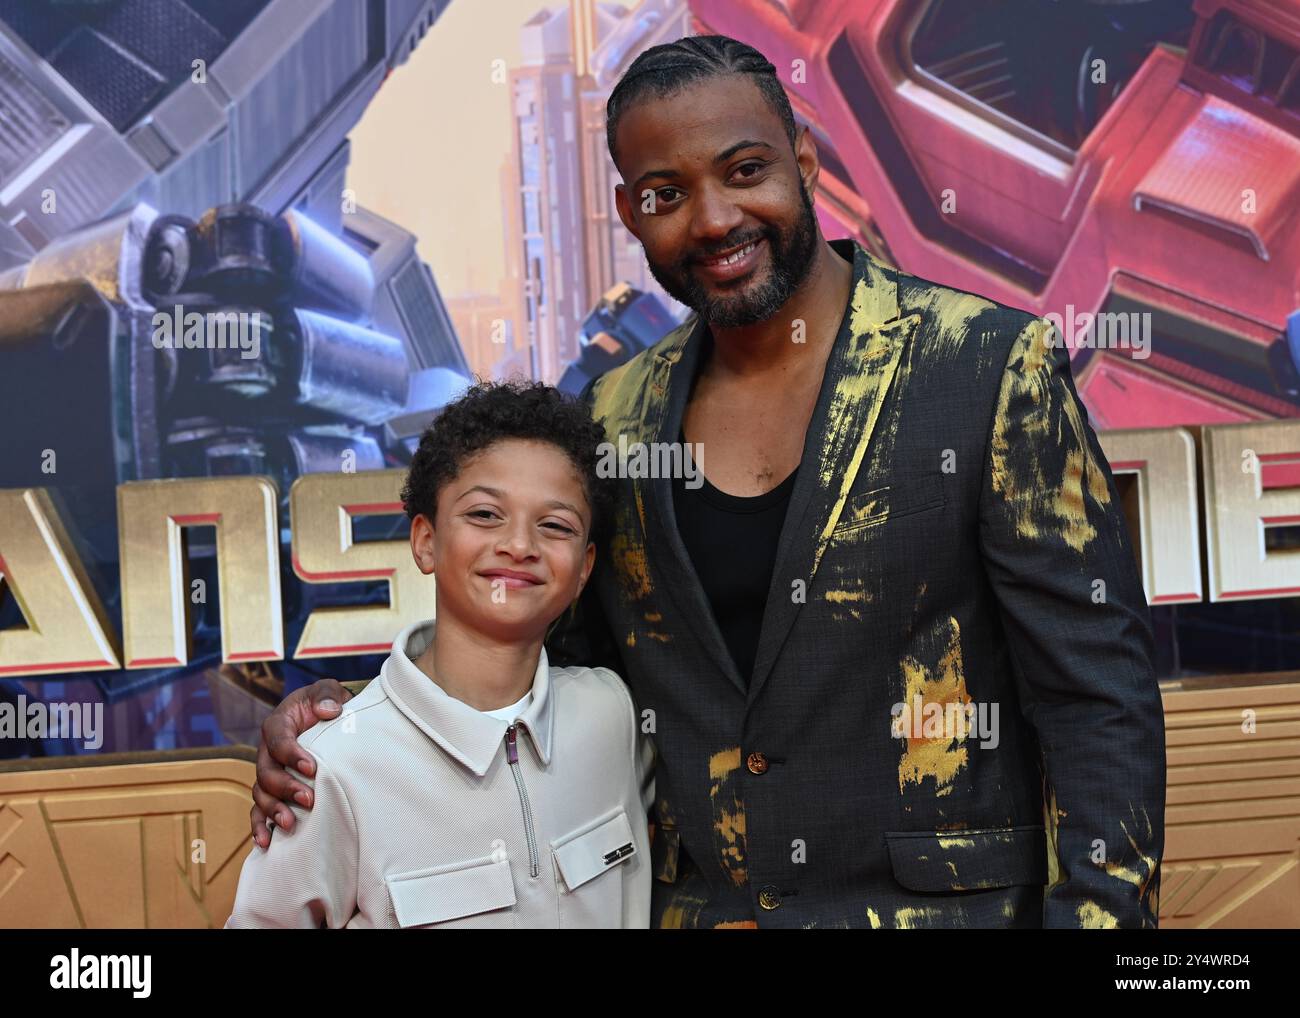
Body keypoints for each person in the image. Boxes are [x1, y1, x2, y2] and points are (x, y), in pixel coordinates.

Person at [249, 35, 1164, 929]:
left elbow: (1098, 700)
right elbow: (542, 662)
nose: (715, 218)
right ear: (629, 211)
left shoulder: (986, 365)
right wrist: (345, 727)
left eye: (744, 169)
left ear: (803, 160)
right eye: (666, 194)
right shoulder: (613, 417)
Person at [227, 381, 652, 928]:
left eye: (555, 525)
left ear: (584, 568)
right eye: (483, 515)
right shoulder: (333, 767)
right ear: (426, 541)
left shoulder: (611, 712)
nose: (520, 545)